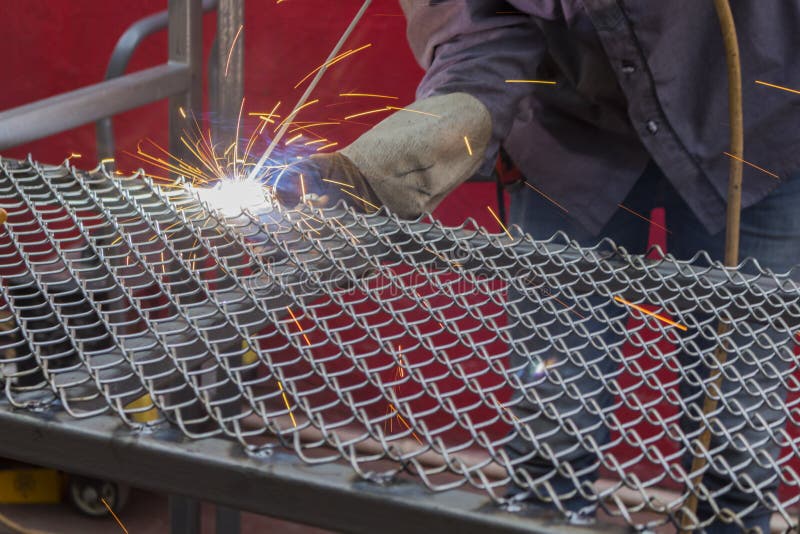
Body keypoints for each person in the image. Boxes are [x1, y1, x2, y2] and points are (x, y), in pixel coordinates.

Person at [280, 2, 800, 532]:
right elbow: (478, 46)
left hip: (754, 131)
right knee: (555, 409)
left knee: (738, 422)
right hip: (573, 138)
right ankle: (546, 516)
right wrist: (376, 173)